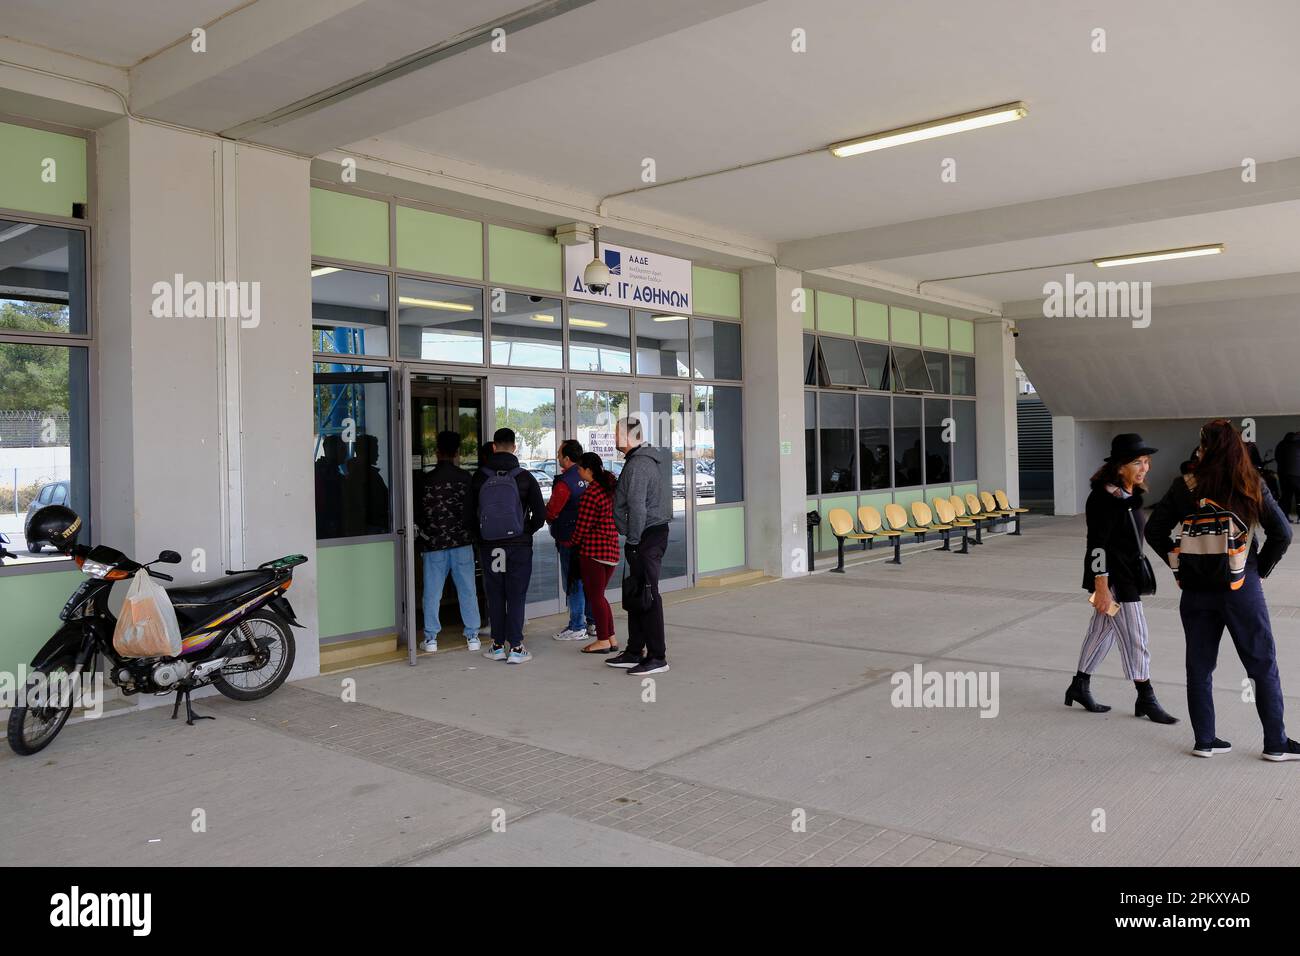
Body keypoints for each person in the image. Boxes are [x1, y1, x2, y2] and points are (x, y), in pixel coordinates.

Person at [1146, 418, 1297, 760]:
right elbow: (1283, 534)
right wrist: (1258, 569)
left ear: (1204, 448)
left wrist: (1180, 566)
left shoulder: (1185, 485)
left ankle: (1205, 740)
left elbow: (1154, 531)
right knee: (1262, 665)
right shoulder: (1249, 481)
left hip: (1197, 589)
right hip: (1241, 586)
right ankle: (1275, 743)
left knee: (1199, 666)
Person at [1065, 433, 1179, 725]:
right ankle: (1146, 696)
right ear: (1119, 467)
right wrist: (1101, 587)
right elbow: (1097, 546)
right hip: (1115, 581)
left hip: (1126, 576)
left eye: (1146, 462)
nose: (1144, 468)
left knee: (1101, 633)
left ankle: (1079, 685)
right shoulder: (1104, 499)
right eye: (1137, 463)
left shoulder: (1129, 497)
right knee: (1137, 637)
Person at [471, 427, 545, 664]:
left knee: (495, 594)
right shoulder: (525, 477)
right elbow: (540, 515)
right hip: (518, 546)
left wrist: (482, 536)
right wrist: (525, 532)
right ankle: (516, 647)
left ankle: (496, 645)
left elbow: (467, 516)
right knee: (516, 595)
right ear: (514, 447)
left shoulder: (479, 477)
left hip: (490, 546)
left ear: (493, 447)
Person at [605, 418, 673, 675]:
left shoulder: (639, 465)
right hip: (645, 535)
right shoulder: (641, 461)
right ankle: (635, 650)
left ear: (626, 436)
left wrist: (632, 539)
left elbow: (637, 506)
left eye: (616, 433)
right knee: (636, 594)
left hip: (646, 537)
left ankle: (658, 657)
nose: (613, 438)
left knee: (648, 595)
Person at [416, 430, 481, 654]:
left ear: (436, 452)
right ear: (457, 453)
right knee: (467, 590)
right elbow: (472, 511)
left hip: (434, 545)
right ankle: (473, 636)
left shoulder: (426, 480)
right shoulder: (465, 478)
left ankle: (431, 638)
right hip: (462, 543)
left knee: (432, 593)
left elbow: (419, 512)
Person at [568, 453, 622, 655]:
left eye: (580, 468)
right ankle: (611, 637)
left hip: (593, 552)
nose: (578, 471)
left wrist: (570, 542)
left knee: (595, 597)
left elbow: (582, 526)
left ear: (588, 470)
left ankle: (602, 640)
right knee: (600, 596)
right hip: (611, 550)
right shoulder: (609, 488)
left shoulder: (592, 493)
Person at [545, 439, 595, 642]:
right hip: (590, 539)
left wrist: (545, 515)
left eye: (559, 454)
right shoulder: (589, 476)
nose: (557, 457)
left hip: (569, 540)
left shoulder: (565, 483)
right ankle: (592, 622)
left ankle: (576, 626)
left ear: (567, 458)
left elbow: (552, 512)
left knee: (574, 583)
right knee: (591, 582)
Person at [1275, 431, 1300, 523]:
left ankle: (1284, 517)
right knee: (1299, 497)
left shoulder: (1281, 444)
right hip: (1298, 475)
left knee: (1286, 497)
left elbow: (1277, 457)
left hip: (1283, 474)